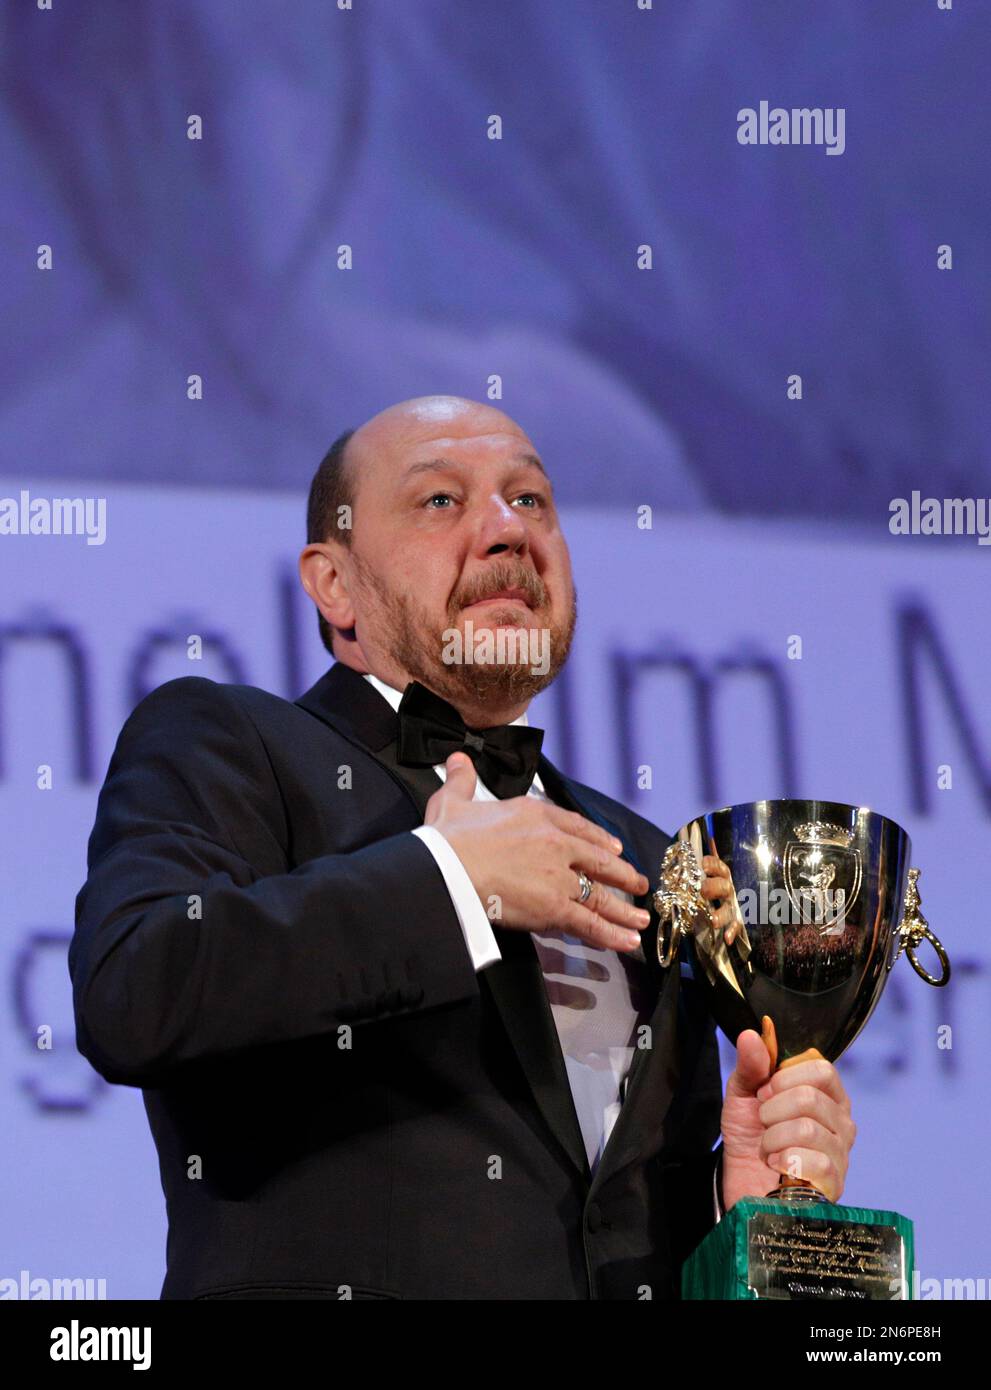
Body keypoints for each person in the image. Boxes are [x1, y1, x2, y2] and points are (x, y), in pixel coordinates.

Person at [70, 395, 855, 1300]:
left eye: (531, 501)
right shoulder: (228, 740)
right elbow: (135, 991)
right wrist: (449, 884)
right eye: (439, 501)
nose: (504, 530)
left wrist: (733, 1211)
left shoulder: (647, 853)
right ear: (334, 584)